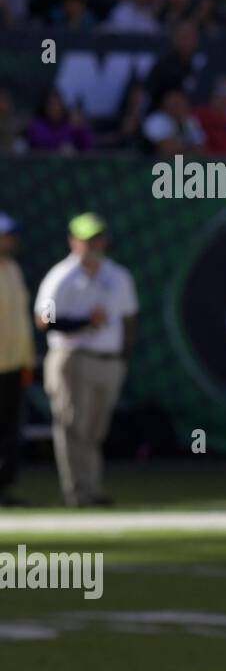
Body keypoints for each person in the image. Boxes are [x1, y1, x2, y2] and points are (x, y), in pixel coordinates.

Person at [33, 213, 138, 507]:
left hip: (110, 360)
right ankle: (78, 492)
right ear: (73, 241)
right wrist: (84, 322)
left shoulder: (118, 275)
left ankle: (92, 488)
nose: (94, 244)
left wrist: (123, 357)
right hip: (73, 357)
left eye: (98, 237)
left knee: (95, 429)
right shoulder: (61, 276)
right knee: (72, 425)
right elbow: (44, 319)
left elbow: (129, 319)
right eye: (87, 238)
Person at [0, 213, 34, 506]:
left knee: (10, 430)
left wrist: (27, 362)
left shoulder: (13, 269)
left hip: (13, 366)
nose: (10, 241)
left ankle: (4, 488)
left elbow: (21, 322)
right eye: (5, 235)